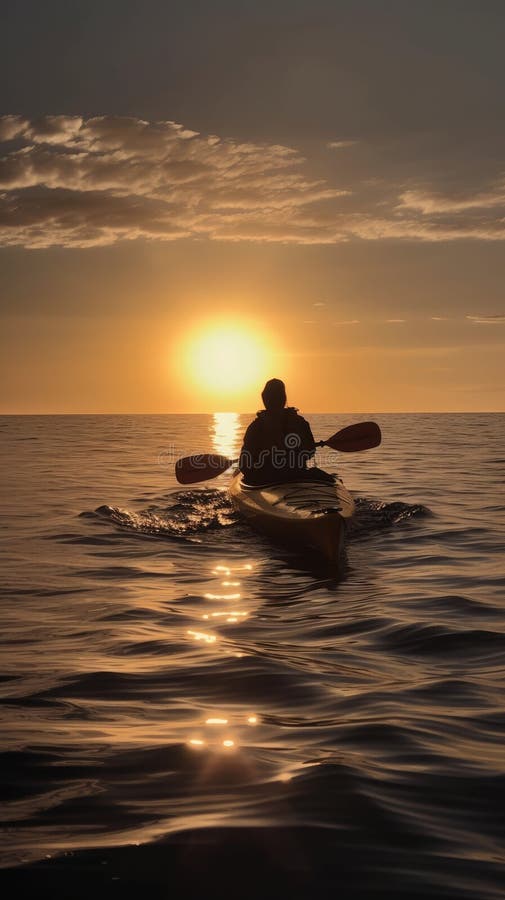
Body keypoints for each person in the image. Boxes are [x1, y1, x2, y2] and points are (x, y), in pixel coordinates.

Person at [239, 379, 333, 486]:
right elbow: (310, 452)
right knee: (324, 476)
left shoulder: (256, 427)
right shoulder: (300, 422)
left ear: (265, 399)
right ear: (283, 399)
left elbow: (244, 465)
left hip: (267, 479)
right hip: (298, 475)